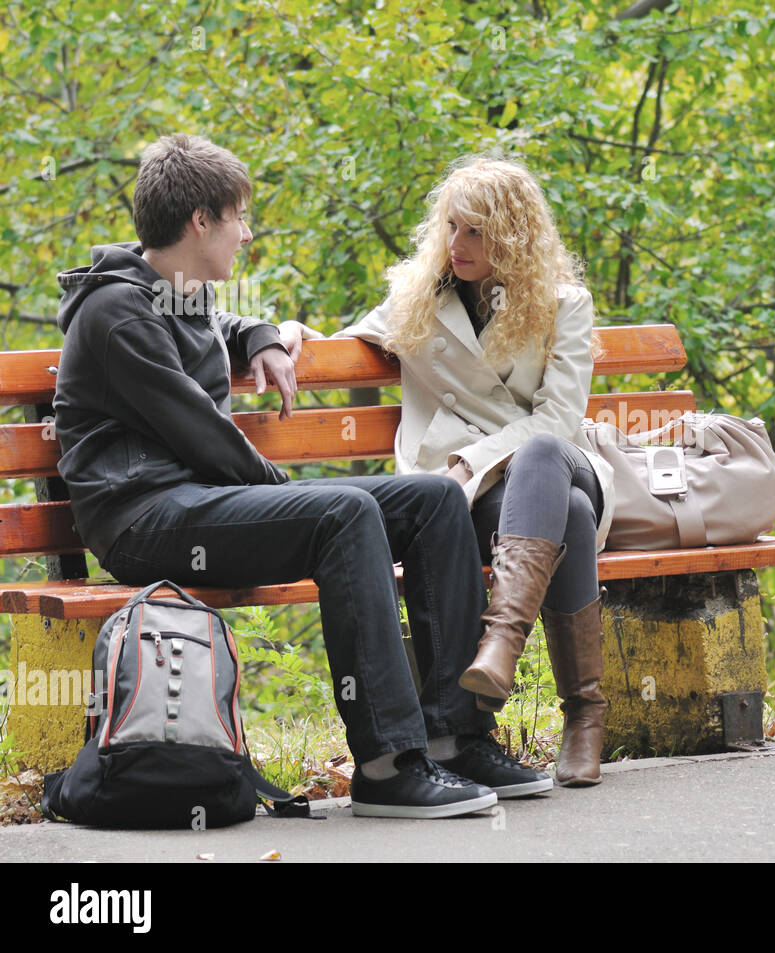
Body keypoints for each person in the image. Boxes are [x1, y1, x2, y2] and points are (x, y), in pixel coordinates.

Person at [53, 134, 551, 819]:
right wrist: (300, 498)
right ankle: (386, 762)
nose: (246, 232)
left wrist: (258, 332)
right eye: (237, 217)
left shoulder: (173, 290)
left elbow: (216, 323)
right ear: (201, 221)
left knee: (435, 500)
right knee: (342, 515)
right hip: (144, 517)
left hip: (201, 500)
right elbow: (201, 434)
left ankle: (454, 737)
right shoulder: (114, 313)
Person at [282, 155, 614, 786]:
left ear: (512, 237)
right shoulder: (419, 300)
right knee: (564, 518)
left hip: (558, 465)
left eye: (477, 232)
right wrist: (287, 331)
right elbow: (342, 341)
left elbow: (560, 420)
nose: (457, 244)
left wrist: (471, 458)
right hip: (490, 501)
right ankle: (584, 717)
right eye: (453, 227)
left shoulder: (562, 303)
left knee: (546, 461)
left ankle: (501, 646)